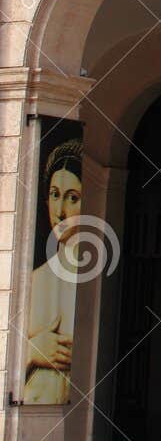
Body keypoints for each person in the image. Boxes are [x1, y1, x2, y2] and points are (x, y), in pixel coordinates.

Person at [24, 138, 82, 406]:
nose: (59, 212)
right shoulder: (34, 280)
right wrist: (32, 351)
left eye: (72, 198)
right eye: (54, 195)